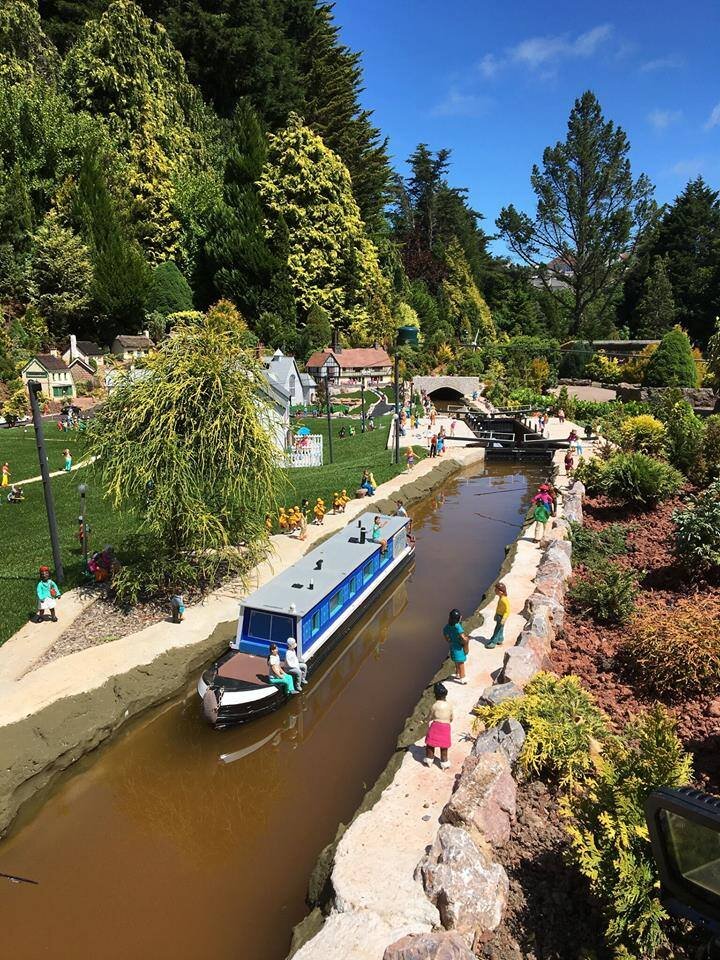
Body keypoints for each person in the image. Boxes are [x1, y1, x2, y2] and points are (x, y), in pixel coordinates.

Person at [424, 681, 453, 770]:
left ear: (435, 695)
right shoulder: (449, 705)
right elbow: (451, 717)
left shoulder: (435, 705)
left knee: (430, 744)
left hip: (436, 725)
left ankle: (429, 759)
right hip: (445, 727)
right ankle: (444, 761)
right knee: (444, 746)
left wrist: (426, 720)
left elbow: (430, 716)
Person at [443, 609, 469, 683]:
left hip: (452, 647)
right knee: (461, 662)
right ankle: (463, 677)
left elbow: (445, 635)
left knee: (456, 661)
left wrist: (449, 640)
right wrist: (466, 641)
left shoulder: (447, 627)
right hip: (458, 648)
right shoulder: (457, 626)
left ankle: (457, 673)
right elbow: (463, 637)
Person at [486, 583, 509, 648]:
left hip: (501, 617)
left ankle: (494, 642)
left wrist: (503, 619)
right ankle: (500, 639)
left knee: (497, 629)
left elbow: (507, 610)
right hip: (499, 615)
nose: (495, 591)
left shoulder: (504, 600)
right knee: (500, 628)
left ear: (501, 592)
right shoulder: (501, 598)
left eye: (496, 590)